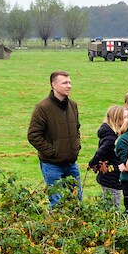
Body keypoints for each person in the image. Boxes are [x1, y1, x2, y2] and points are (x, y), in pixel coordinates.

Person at [27, 70, 82, 206]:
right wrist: (52, 152)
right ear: (54, 85)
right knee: (57, 203)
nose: (69, 85)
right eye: (64, 83)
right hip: (51, 165)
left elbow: (77, 129)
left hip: (71, 164)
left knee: (76, 201)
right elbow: (33, 135)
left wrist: (76, 146)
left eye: (69, 82)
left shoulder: (73, 105)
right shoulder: (42, 108)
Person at [87, 105, 126, 208]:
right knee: (113, 203)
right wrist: (92, 163)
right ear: (118, 119)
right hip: (111, 176)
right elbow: (100, 153)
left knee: (110, 200)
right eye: (125, 118)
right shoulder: (111, 138)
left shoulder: (112, 134)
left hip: (111, 175)